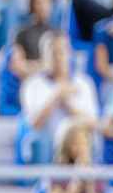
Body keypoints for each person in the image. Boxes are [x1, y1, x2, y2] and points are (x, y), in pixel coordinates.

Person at [19, 31, 99, 164]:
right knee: (37, 140)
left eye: (62, 51)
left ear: (69, 54)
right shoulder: (31, 85)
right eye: (52, 53)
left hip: (76, 147)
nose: (58, 57)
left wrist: (66, 102)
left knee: (88, 139)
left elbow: (93, 122)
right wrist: (57, 95)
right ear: (43, 56)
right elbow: (33, 124)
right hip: (46, 147)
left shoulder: (84, 83)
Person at [48, 122, 103, 193]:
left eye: (85, 143)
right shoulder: (57, 172)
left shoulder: (97, 172)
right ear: (67, 145)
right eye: (77, 143)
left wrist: (89, 184)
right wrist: (77, 178)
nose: (82, 148)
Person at [9, 0, 56, 81]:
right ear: (32, 6)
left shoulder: (58, 35)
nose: (43, 7)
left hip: (52, 83)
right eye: (39, 3)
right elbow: (17, 64)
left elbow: (59, 65)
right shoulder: (22, 33)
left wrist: (33, 65)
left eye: (46, 2)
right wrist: (42, 66)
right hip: (30, 81)